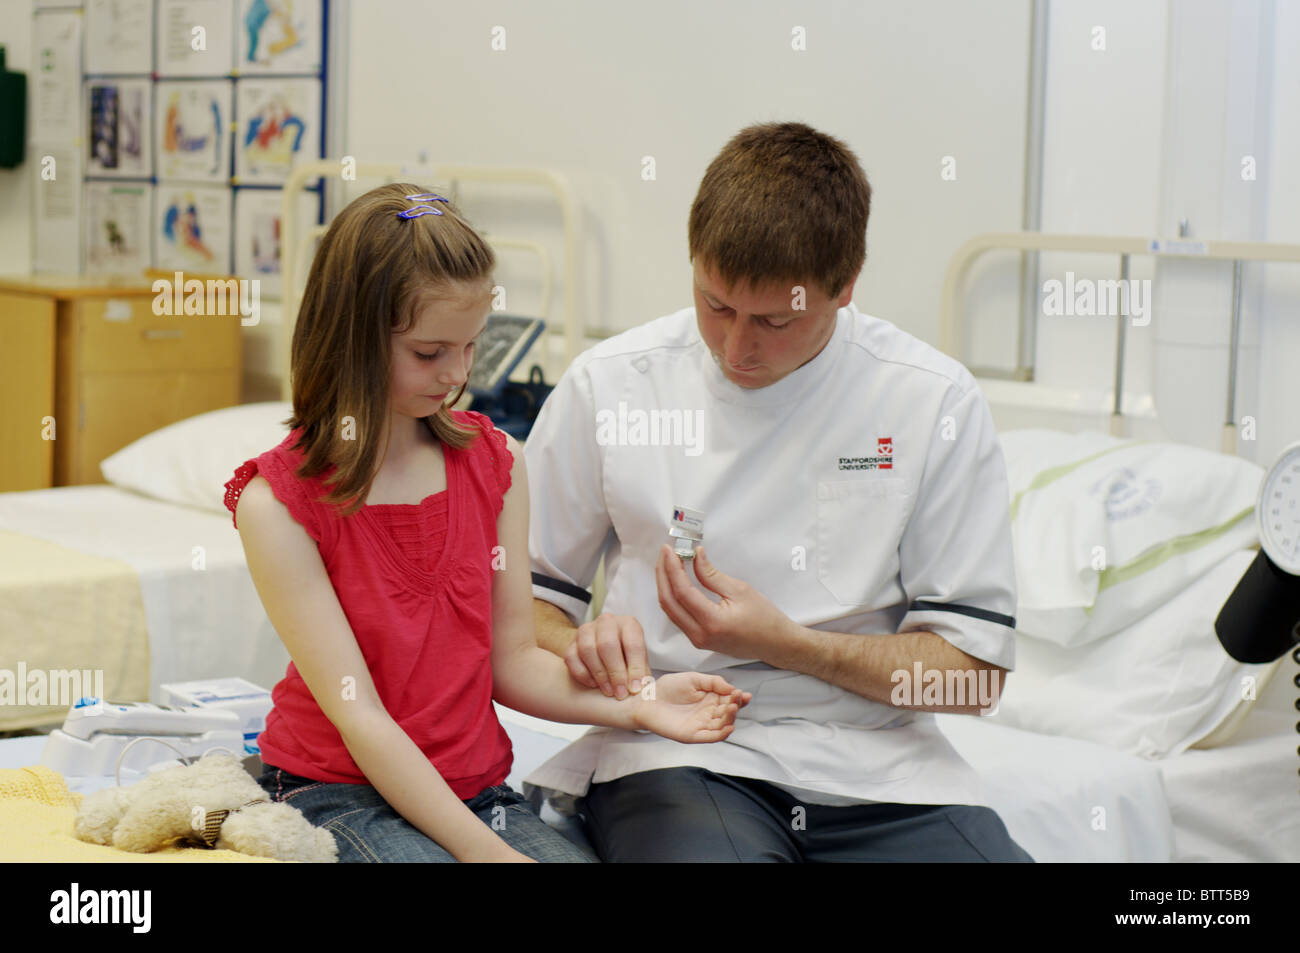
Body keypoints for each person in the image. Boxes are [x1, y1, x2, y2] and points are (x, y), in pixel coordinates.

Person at [523, 122, 1035, 862]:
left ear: (846, 286)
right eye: (715, 305)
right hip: (679, 752)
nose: (737, 349)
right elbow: (519, 610)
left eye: (774, 320)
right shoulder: (613, 386)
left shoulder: (932, 402)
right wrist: (587, 645)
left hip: (881, 769)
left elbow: (972, 683)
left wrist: (790, 646)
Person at [223, 183, 750, 863]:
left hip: (475, 789)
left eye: (472, 347)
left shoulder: (495, 463)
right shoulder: (278, 504)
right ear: (351, 335)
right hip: (337, 788)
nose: (456, 374)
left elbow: (514, 661)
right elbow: (361, 718)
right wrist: (490, 855)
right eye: (429, 351)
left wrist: (640, 703)